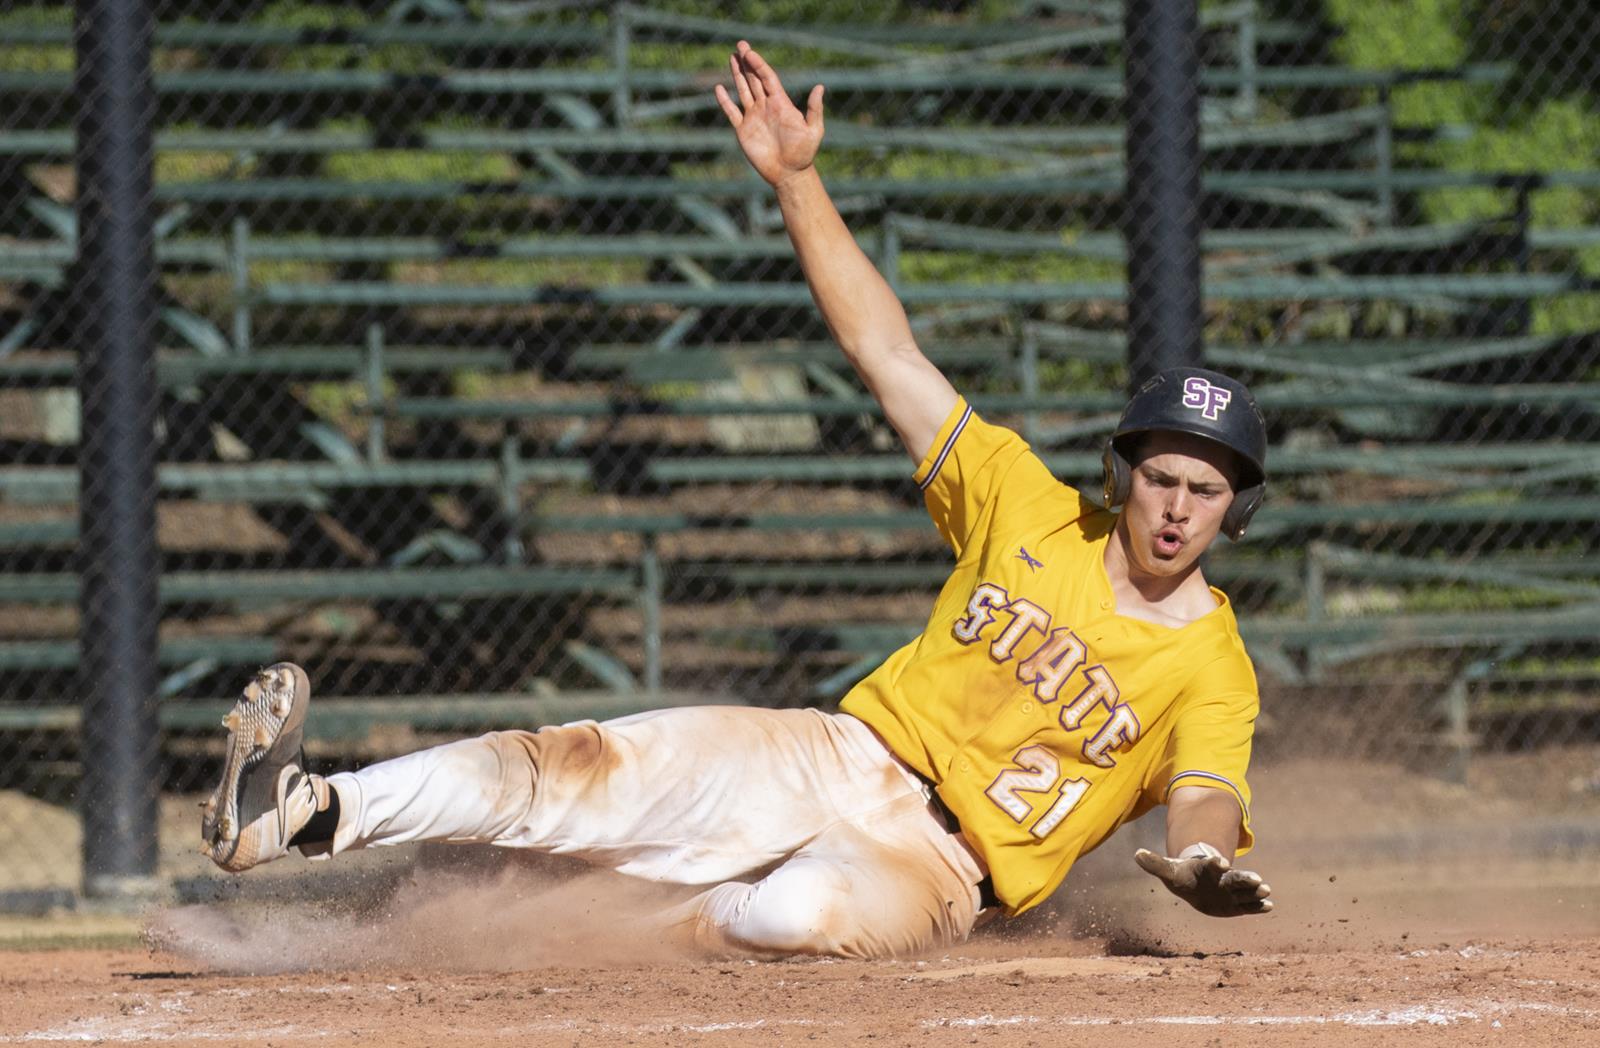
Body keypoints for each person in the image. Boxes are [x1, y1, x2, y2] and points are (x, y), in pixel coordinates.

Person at [199, 42, 1272, 959]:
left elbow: (1204, 789)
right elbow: (885, 349)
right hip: (836, 751)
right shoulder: (1025, 503)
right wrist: (796, 181)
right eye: (1161, 476)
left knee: (792, 915)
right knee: (580, 761)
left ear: (1236, 509)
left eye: (1206, 488)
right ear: (1121, 475)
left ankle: (560, 920)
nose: (1177, 505)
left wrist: (1199, 855)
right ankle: (306, 811)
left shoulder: (1210, 662)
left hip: (939, 862)